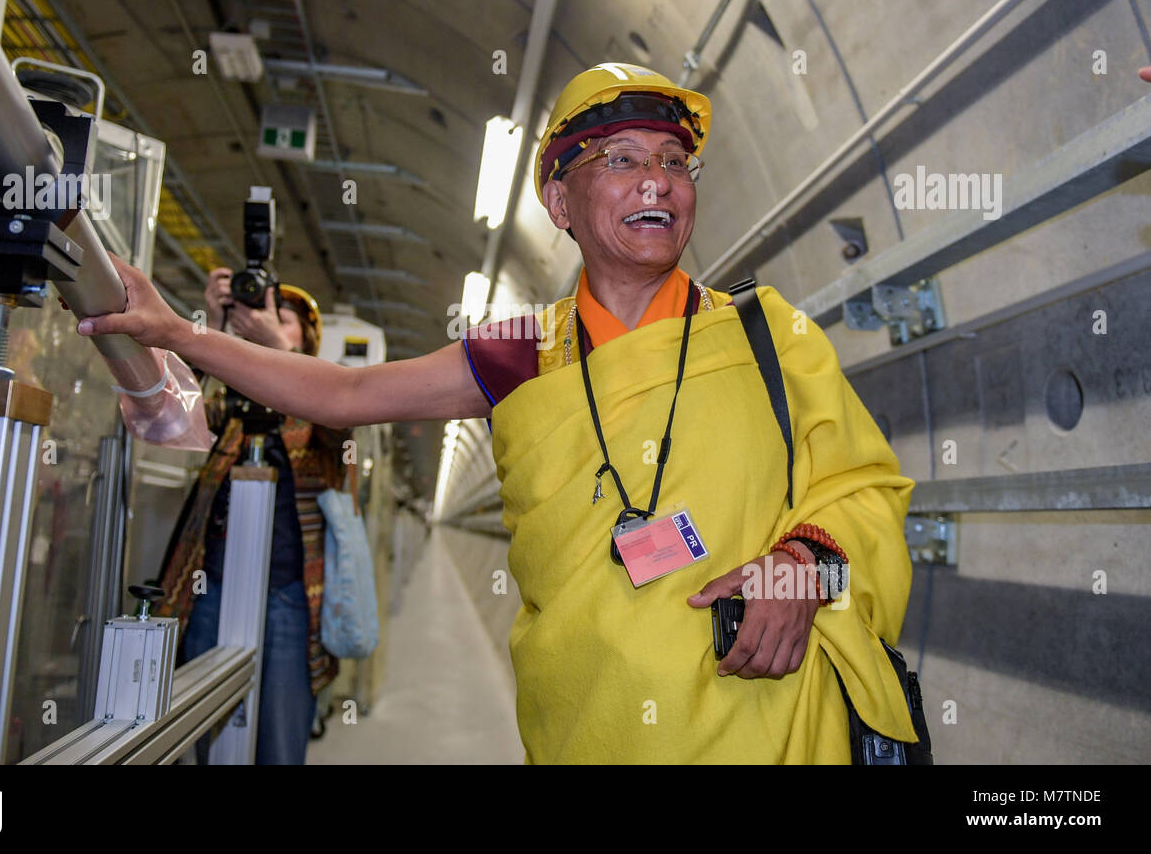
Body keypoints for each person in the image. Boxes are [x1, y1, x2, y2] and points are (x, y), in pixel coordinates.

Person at [81, 63, 917, 764]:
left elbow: (866, 488)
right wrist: (179, 333)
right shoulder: (522, 349)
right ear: (560, 200)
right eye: (621, 159)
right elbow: (348, 393)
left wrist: (803, 567)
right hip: (589, 730)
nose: (657, 179)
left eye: (673, 160)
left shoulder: (766, 332)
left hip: (771, 723)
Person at [157, 274, 351, 765]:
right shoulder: (236, 409)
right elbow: (174, 415)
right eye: (261, 320)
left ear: (307, 341)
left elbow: (339, 423)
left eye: (282, 323)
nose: (268, 328)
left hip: (290, 596)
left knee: (279, 744)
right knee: (199, 729)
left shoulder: (322, 405)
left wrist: (276, 353)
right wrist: (214, 328)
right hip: (211, 590)